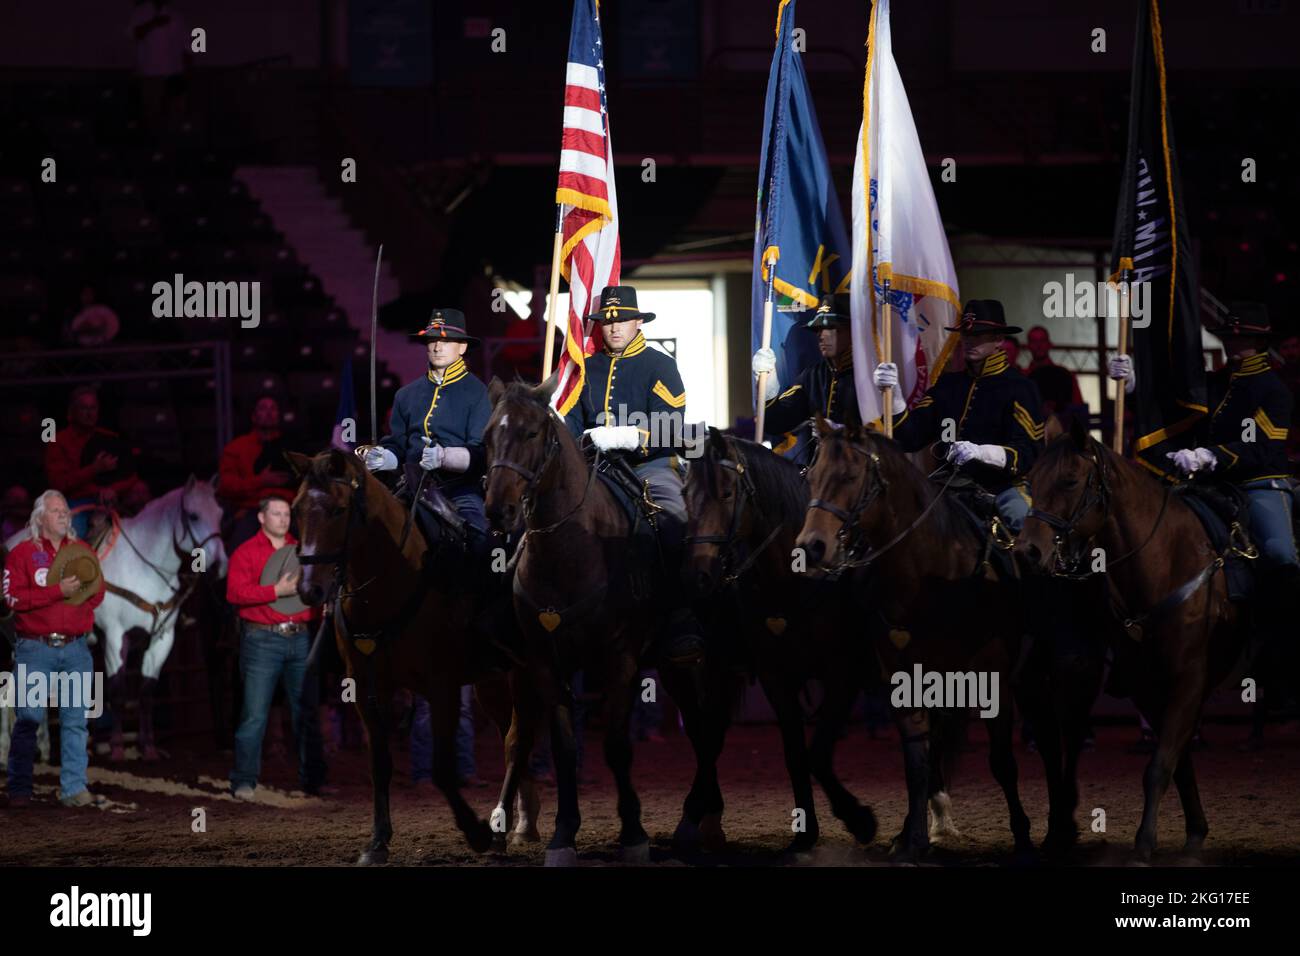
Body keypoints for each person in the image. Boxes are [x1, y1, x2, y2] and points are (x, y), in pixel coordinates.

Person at [1109, 301, 1298, 591]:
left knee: (1278, 552)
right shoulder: (1213, 383)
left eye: (1241, 337)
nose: (1231, 343)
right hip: (1210, 485)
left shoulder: (1273, 390)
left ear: (1259, 342)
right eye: (1228, 336)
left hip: (1257, 484)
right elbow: (1173, 412)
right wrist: (1135, 385)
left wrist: (1211, 456)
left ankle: (1280, 628)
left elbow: (1262, 449)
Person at [561, 285, 705, 663]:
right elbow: (571, 426)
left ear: (637, 322)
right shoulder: (586, 367)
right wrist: (577, 436)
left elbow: (672, 428)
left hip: (649, 465)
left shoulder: (659, 365)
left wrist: (627, 436)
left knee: (672, 520)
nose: (614, 328)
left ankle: (679, 616)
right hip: (595, 469)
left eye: (622, 319)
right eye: (607, 322)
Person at [873, 299, 1046, 534]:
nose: (968, 339)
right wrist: (893, 396)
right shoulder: (946, 385)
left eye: (978, 334)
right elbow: (909, 438)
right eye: (965, 333)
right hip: (946, 487)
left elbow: (1028, 453)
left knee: (1022, 525)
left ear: (998, 339)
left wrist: (982, 452)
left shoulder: (1020, 388)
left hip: (1000, 487)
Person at [3, 491, 106, 808]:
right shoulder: (21, 554)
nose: (64, 515)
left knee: (76, 721)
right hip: (36, 649)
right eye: (56, 510)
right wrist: (56, 593)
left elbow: (98, 592)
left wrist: (76, 606)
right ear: (40, 518)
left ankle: (74, 788)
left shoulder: (82, 550)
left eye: (66, 510)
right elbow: (11, 600)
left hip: (75, 648)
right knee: (29, 720)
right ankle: (20, 789)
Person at [362, 310, 492, 560]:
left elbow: (482, 452)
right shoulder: (406, 394)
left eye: (445, 342)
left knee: (479, 537)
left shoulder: (478, 393)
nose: (437, 347)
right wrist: (386, 456)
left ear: (462, 348)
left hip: (458, 489)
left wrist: (445, 457)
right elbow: (398, 443)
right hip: (410, 484)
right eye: (432, 341)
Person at [226, 497, 326, 799]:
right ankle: (244, 780)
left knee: (306, 711)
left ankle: (312, 781)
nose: (283, 519)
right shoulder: (246, 552)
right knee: (255, 713)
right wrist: (275, 591)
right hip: (262, 639)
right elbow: (234, 593)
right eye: (276, 513)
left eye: (286, 514)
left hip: (301, 637)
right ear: (261, 517)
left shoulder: (303, 549)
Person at [751, 292, 860, 461]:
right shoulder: (813, 375)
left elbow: (906, 438)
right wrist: (768, 385)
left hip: (863, 472)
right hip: (822, 470)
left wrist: (844, 433)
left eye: (832, 328)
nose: (822, 335)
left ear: (853, 330)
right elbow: (777, 422)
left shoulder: (867, 375)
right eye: (818, 329)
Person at [43, 385, 138, 535]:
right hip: (76, 505)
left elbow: (131, 476)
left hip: (110, 502)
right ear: (72, 412)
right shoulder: (58, 441)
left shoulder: (110, 438)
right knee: (76, 539)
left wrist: (113, 490)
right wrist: (94, 469)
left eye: (93, 408)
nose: (90, 414)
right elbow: (58, 483)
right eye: (84, 408)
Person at [218, 396, 298, 552]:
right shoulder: (236, 448)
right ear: (253, 416)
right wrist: (261, 481)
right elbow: (226, 486)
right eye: (263, 408)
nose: (268, 413)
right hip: (253, 511)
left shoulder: (292, 447)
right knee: (237, 548)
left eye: (273, 409)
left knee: (314, 548)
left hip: (289, 510)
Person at [1025, 325, 1084, 419]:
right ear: (1028, 346)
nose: (1039, 345)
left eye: (1042, 340)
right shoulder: (1022, 377)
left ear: (1050, 344)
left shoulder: (1066, 375)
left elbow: (1078, 408)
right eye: (1034, 341)